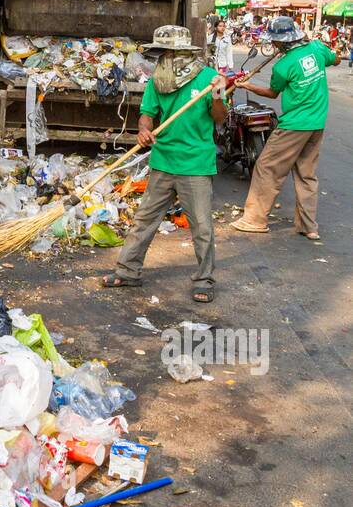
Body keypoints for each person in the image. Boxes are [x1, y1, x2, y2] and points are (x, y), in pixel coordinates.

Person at [102, 25, 229, 303]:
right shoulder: (158, 79)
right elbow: (147, 115)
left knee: (202, 227)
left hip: (195, 163)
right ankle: (128, 271)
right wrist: (143, 130)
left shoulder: (208, 79)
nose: (163, 58)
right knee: (144, 219)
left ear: (180, 52)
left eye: (167, 52)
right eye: (160, 52)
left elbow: (219, 119)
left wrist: (218, 95)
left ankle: (205, 279)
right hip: (163, 160)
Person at [231, 16, 340, 241]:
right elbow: (336, 59)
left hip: (294, 126)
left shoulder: (283, 66)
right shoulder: (317, 48)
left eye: (276, 43)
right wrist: (320, 52)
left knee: (267, 167)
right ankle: (309, 227)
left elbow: (272, 94)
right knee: (306, 174)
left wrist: (247, 85)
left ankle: (254, 220)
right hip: (317, 124)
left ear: (281, 42)